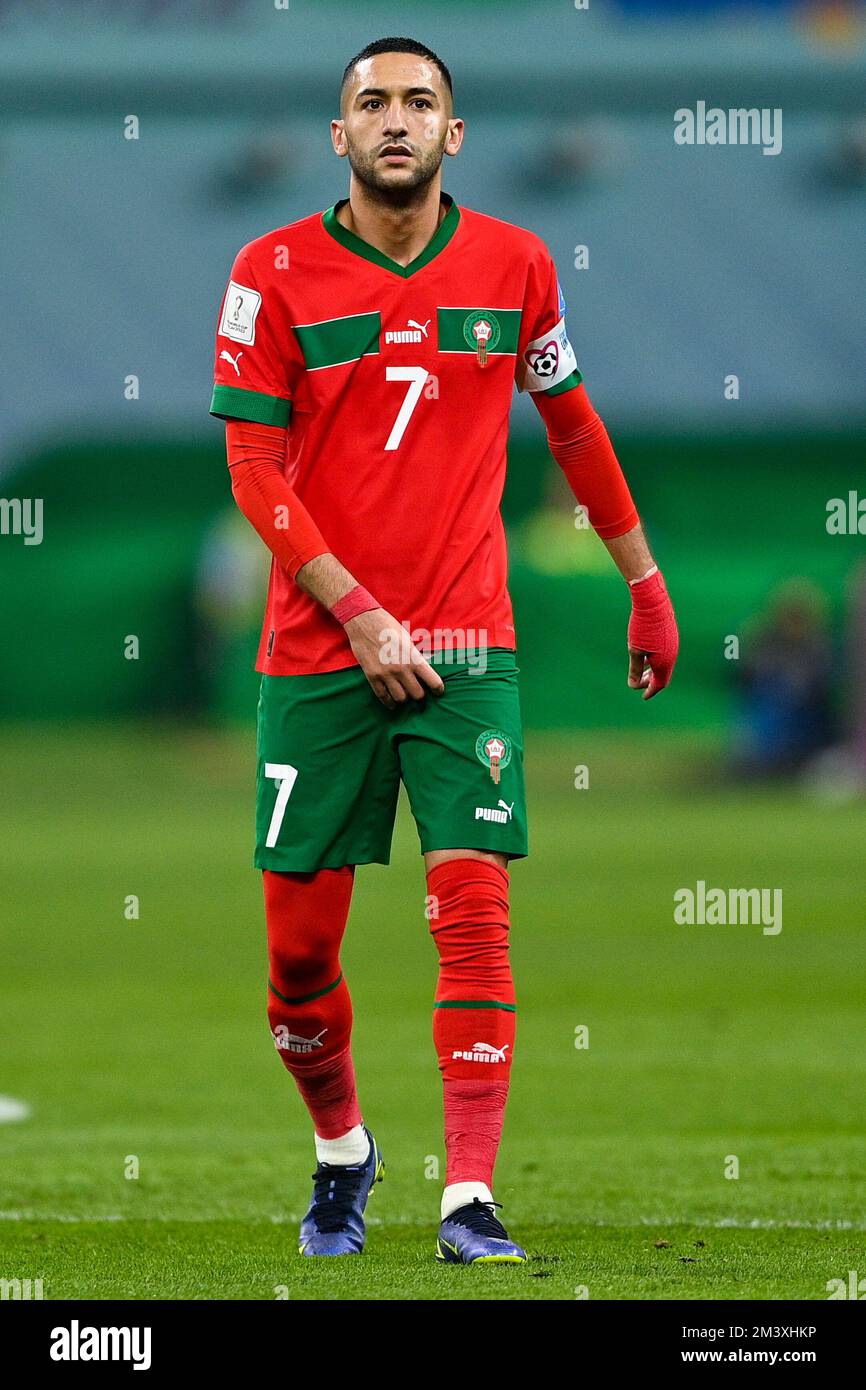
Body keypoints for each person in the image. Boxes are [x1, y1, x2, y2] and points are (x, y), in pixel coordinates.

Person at [210, 36, 679, 1264]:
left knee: (471, 910)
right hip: (317, 650)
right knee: (298, 956)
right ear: (339, 135)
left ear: (453, 134)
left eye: (420, 102)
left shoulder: (518, 265)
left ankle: (466, 1195)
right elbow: (251, 466)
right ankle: (341, 1152)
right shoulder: (270, 274)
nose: (397, 120)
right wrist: (353, 606)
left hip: (468, 641)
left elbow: (570, 425)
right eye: (372, 103)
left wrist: (643, 579)